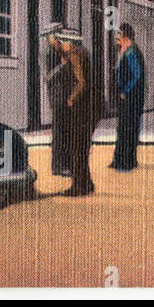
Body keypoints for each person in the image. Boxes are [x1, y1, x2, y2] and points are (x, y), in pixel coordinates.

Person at [48, 28, 100, 196]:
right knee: (81, 147)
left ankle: (79, 187)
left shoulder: (76, 55)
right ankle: (86, 183)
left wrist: (71, 97)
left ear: (70, 43)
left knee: (77, 148)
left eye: (63, 43)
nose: (61, 46)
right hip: (90, 106)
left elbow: (82, 82)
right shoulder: (80, 53)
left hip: (85, 107)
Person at [110, 22, 145, 171]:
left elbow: (137, 75)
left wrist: (125, 90)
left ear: (126, 37)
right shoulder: (125, 51)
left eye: (119, 35)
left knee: (128, 127)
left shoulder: (131, 52)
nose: (117, 38)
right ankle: (120, 160)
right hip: (127, 97)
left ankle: (126, 162)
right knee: (124, 127)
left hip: (131, 98)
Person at [41, 23, 70, 176]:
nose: (58, 38)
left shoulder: (60, 51)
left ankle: (64, 164)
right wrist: (62, 66)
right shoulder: (48, 53)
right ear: (50, 37)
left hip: (65, 95)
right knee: (59, 132)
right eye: (56, 35)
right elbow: (48, 76)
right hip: (57, 96)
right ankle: (58, 167)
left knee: (64, 131)